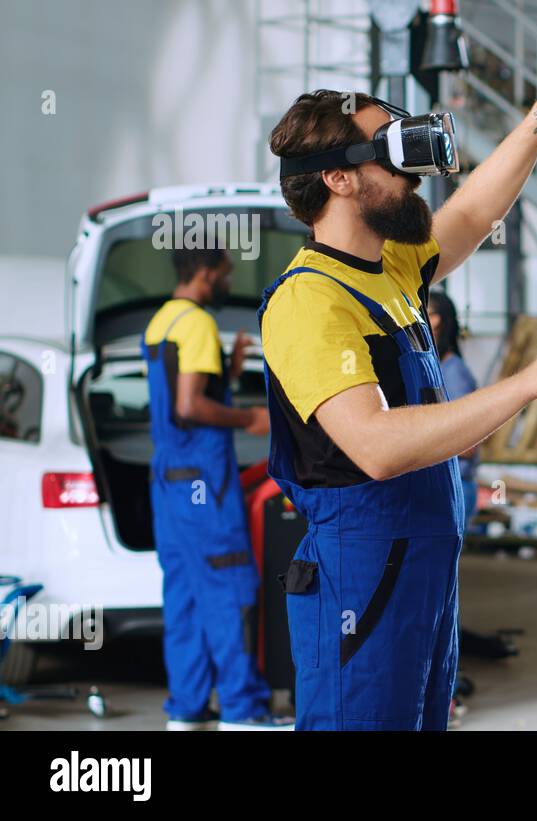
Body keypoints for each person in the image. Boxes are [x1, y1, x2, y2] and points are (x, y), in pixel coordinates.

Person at [261, 32, 537, 730]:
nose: (414, 171)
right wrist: (525, 384)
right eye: (389, 153)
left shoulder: (388, 269)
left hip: (420, 567)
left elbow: (477, 212)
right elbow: (376, 446)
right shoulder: (309, 300)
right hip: (360, 573)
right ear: (338, 177)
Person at [142, 247, 289, 731]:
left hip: (168, 481)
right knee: (231, 586)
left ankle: (186, 709)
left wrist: (228, 372)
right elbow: (189, 406)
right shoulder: (199, 324)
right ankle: (243, 709)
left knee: (184, 593)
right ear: (206, 274)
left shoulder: (162, 321)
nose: (228, 280)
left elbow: (177, 396)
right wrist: (250, 416)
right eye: (226, 274)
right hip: (203, 483)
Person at [424, 290, 479, 523]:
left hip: (452, 487)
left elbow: (467, 445)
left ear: (437, 321)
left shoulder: (455, 373)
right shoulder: (433, 369)